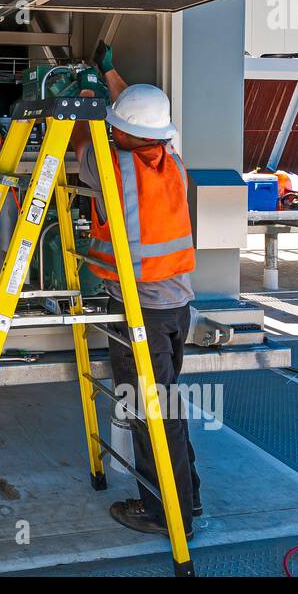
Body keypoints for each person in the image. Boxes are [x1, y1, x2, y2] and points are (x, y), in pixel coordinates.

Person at [70, 41, 202, 538]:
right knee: (166, 407)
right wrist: (109, 76)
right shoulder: (170, 160)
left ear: (123, 131)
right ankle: (188, 499)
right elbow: (137, 117)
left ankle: (167, 514)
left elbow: (83, 140)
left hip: (140, 312)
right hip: (176, 307)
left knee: (152, 414)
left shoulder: (110, 168)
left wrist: (80, 103)